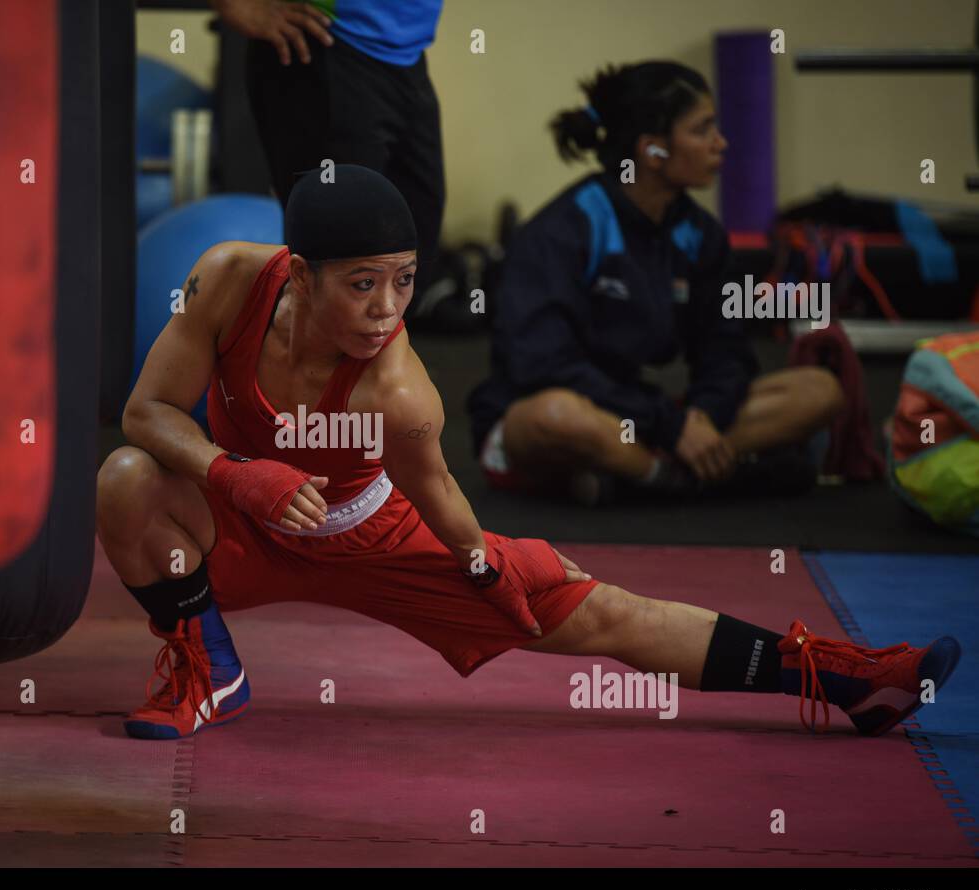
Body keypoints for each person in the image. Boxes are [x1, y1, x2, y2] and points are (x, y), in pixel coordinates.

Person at [97, 164, 959, 741]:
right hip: (243, 525)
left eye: (404, 279)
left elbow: (437, 494)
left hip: (375, 535)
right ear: (300, 273)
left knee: (610, 615)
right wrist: (235, 473)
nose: (387, 308)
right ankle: (206, 666)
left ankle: (843, 674)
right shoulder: (229, 279)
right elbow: (146, 410)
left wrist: (481, 563)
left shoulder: (399, 391)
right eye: (363, 283)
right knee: (127, 480)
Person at [468, 61, 846, 505]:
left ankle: (637, 475)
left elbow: (727, 351)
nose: (720, 143)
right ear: (653, 151)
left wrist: (702, 417)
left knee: (818, 391)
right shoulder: (563, 229)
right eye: (702, 130)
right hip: (557, 417)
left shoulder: (702, 235)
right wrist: (668, 424)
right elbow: (542, 365)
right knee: (556, 414)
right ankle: (689, 479)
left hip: (642, 419)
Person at [210, 0, 446, 307]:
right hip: (324, 41)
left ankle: (373, 355)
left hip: (406, 52)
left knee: (412, 250)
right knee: (340, 264)